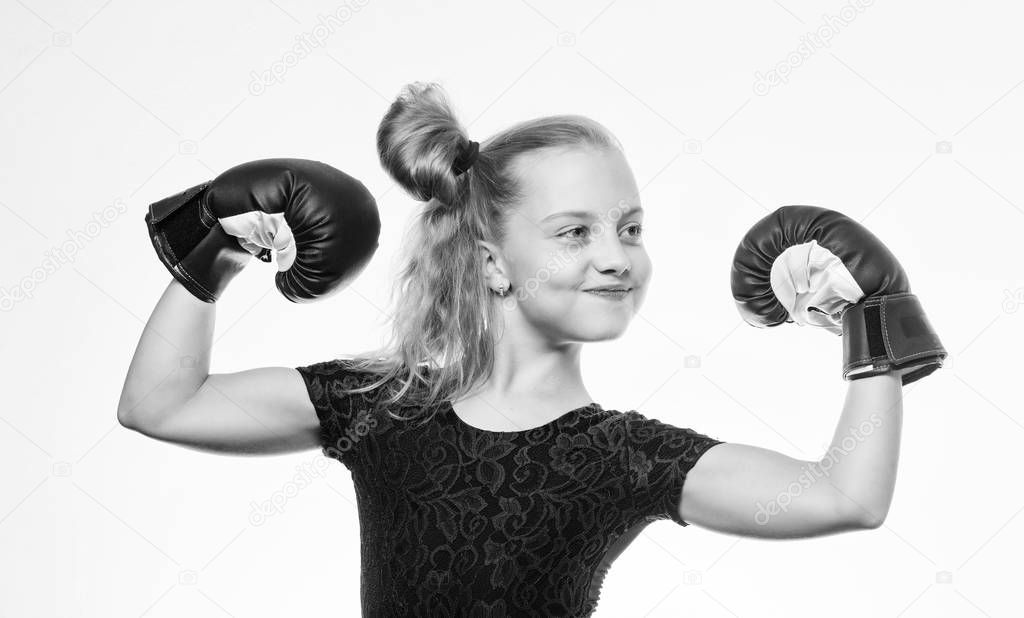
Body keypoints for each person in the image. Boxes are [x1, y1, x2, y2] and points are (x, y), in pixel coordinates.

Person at [117, 82, 944, 617]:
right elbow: (161, 403)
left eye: (630, 229)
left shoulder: (620, 456)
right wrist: (211, 247)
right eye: (574, 232)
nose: (617, 255)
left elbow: (845, 497)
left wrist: (876, 319)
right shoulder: (384, 405)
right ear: (490, 263)